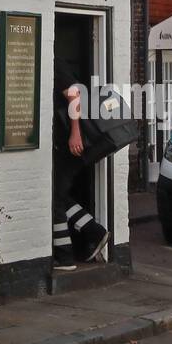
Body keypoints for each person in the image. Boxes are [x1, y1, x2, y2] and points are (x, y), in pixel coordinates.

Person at [52, 61, 110, 269]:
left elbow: (74, 95)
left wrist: (75, 133)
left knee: (56, 198)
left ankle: (64, 256)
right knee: (58, 195)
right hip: (64, 146)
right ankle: (94, 231)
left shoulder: (56, 67)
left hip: (71, 146)